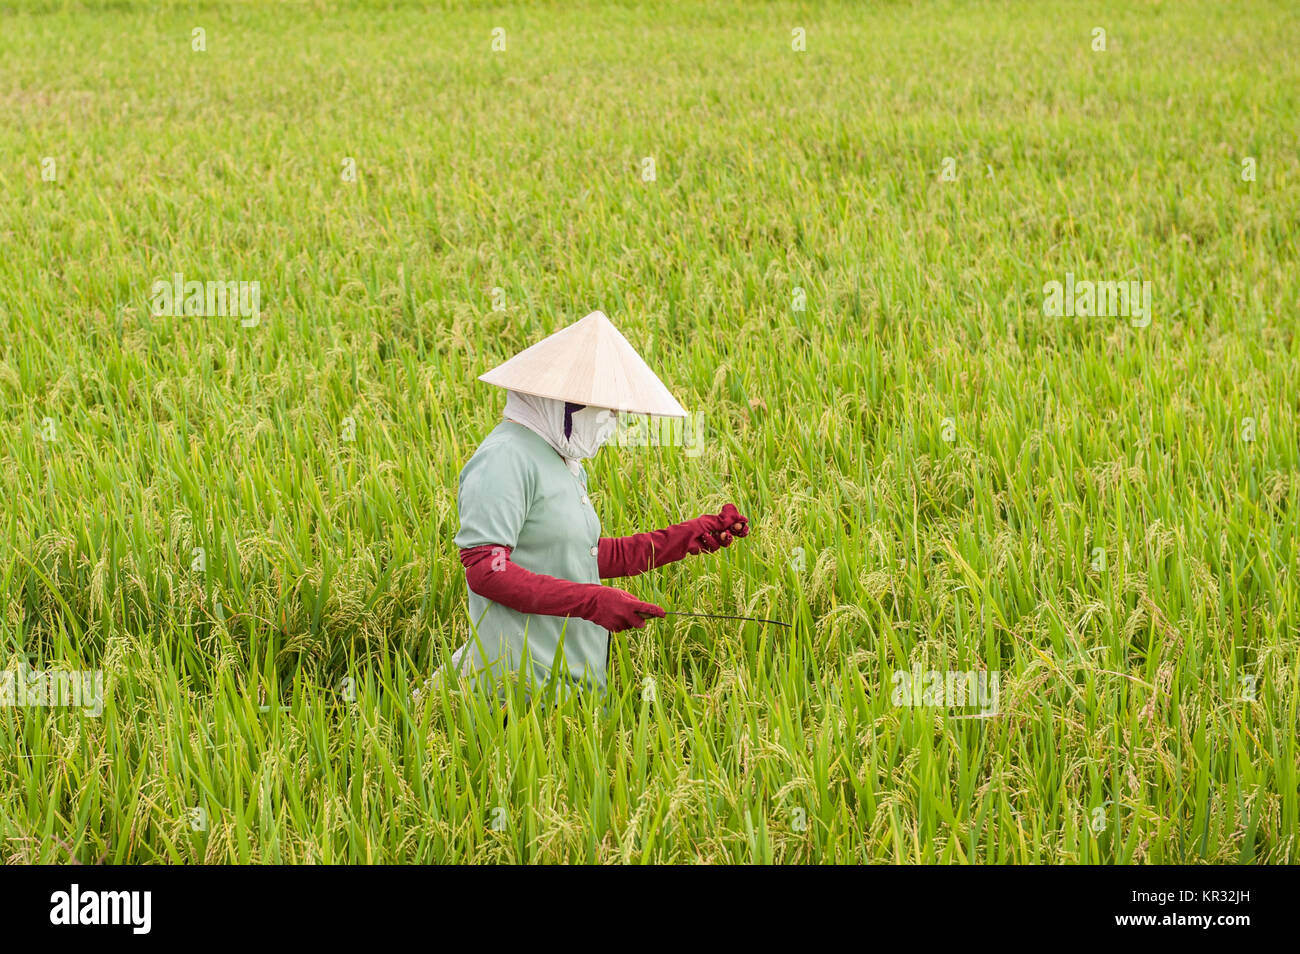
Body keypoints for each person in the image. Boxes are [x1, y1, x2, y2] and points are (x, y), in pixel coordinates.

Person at [434, 310, 750, 697]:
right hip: (514, 691)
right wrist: (591, 601)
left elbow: (581, 556)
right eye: (605, 409)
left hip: (571, 687)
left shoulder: (562, 461)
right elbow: (487, 570)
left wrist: (690, 535)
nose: (611, 423)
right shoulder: (505, 458)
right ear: (563, 402)